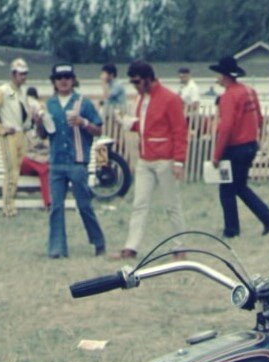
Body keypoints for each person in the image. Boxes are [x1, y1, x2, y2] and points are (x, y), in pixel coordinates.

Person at [111, 60, 186, 262]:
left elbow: (180, 131)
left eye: (137, 82)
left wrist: (179, 161)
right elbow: (144, 126)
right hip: (145, 160)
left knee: (172, 205)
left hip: (165, 160)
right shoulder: (141, 99)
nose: (135, 86)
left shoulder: (170, 99)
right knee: (139, 205)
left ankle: (181, 247)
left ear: (147, 79)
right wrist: (125, 122)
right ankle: (131, 248)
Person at [40, 63, 105, 259]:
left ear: (73, 80)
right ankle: (57, 249)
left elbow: (99, 129)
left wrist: (83, 123)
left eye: (67, 77)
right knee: (56, 206)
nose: (64, 81)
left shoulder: (83, 103)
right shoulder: (49, 105)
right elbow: (43, 134)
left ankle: (98, 241)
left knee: (84, 205)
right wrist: (38, 122)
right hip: (57, 161)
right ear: (54, 82)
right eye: (59, 78)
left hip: (77, 161)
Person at [210, 55, 269, 238]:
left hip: (234, 148)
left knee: (227, 190)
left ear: (224, 76)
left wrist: (217, 155)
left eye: (218, 75)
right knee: (239, 186)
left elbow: (226, 127)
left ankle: (232, 229)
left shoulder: (228, 97)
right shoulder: (249, 91)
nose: (217, 78)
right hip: (250, 145)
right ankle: (266, 215)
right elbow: (260, 119)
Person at [0, 58, 32, 217]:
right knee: (11, 171)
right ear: (13, 74)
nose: (23, 77)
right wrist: (0, 129)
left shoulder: (22, 92)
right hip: (9, 135)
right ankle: (8, 207)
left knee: (19, 169)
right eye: (20, 74)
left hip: (21, 134)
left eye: (25, 74)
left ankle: (12, 201)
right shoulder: (2, 91)